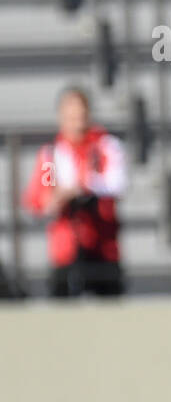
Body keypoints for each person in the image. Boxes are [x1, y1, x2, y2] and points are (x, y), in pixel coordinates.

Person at [21, 86, 127, 297]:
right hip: (66, 250)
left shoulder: (104, 146)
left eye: (80, 115)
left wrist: (82, 186)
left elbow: (116, 182)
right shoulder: (52, 155)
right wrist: (56, 199)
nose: (76, 122)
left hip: (103, 248)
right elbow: (42, 197)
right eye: (70, 116)